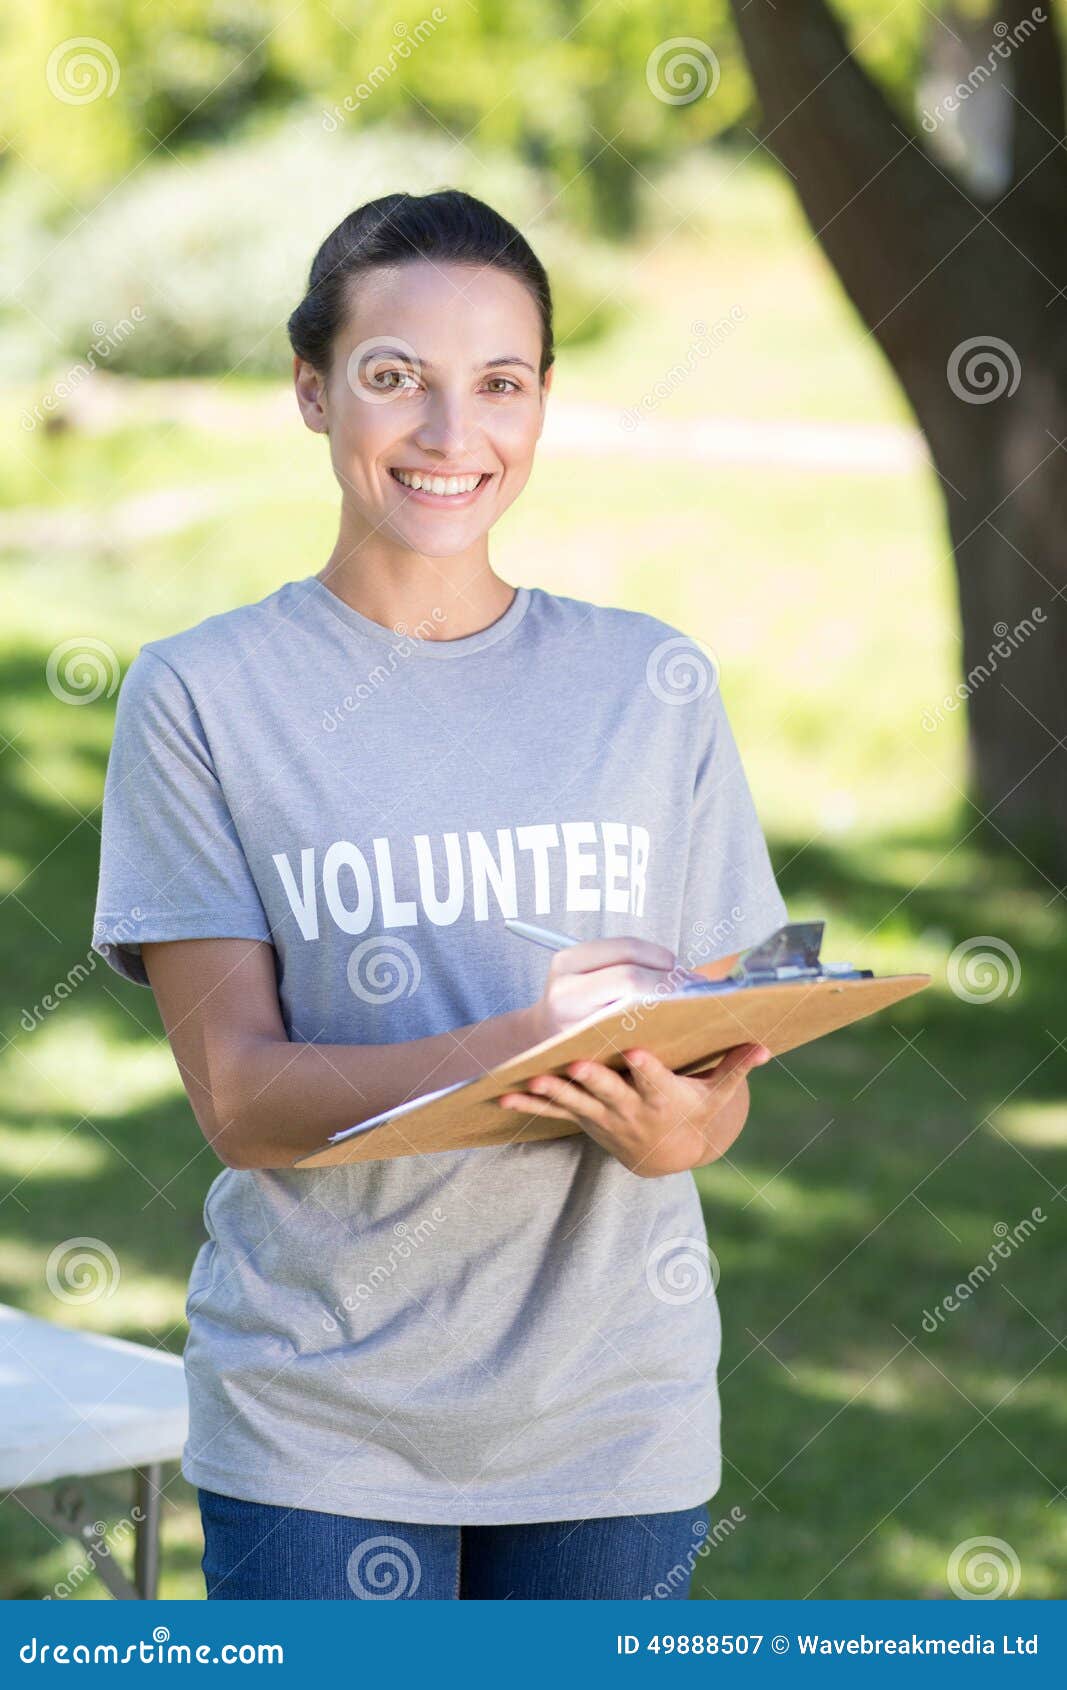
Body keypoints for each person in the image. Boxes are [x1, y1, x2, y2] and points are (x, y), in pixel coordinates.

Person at [92, 189, 787, 1601]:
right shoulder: (204, 696)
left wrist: (680, 1125)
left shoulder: (651, 684)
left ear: (542, 405)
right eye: (394, 378)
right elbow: (242, 1096)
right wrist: (532, 1045)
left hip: (616, 1419)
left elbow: (720, 1074)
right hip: (320, 1421)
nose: (449, 434)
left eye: (500, 384)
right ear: (311, 389)